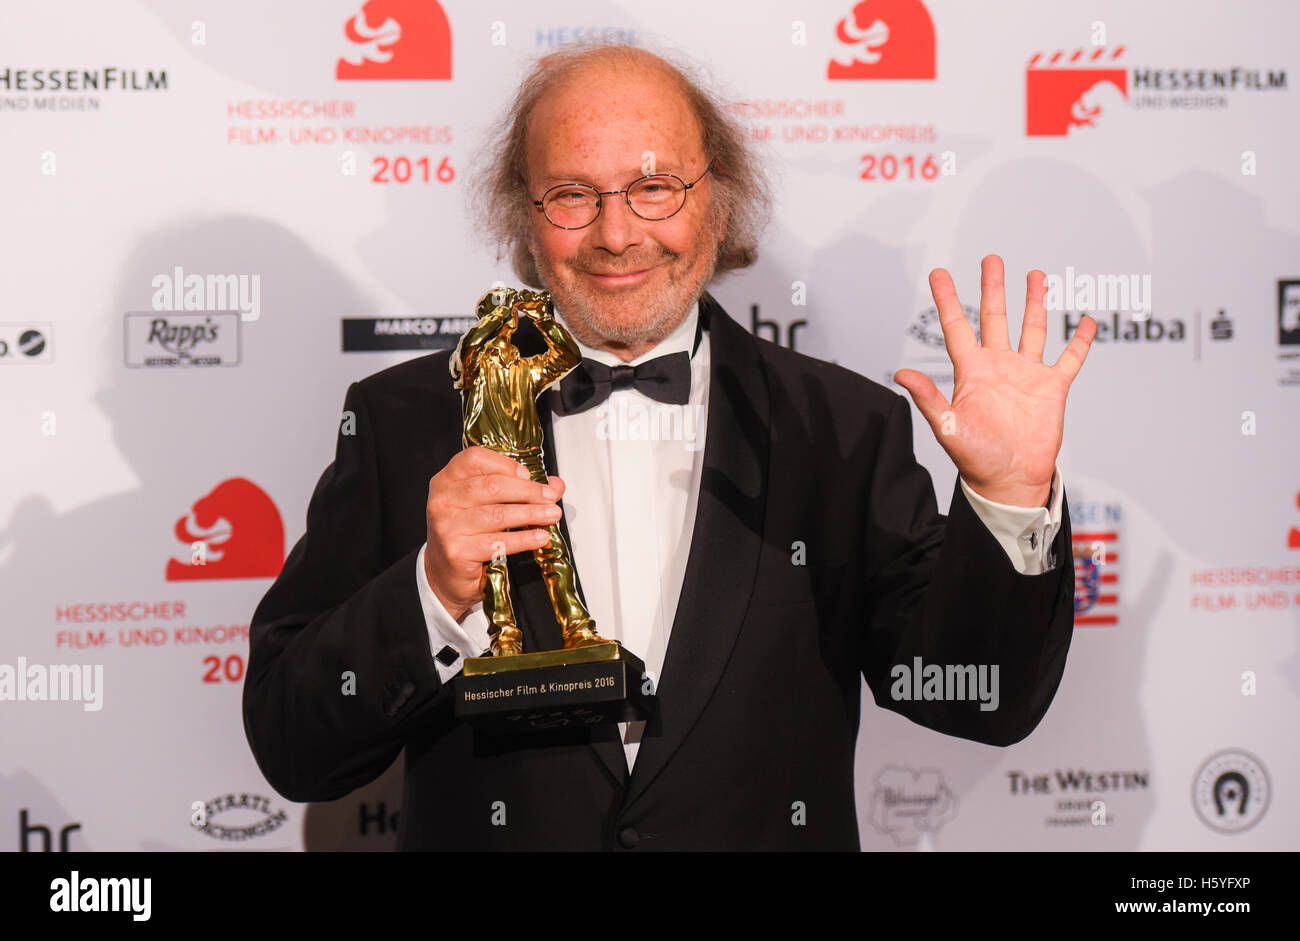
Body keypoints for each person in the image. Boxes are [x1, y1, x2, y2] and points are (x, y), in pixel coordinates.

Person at [242, 42, 1096, 851]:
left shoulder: (842, 426)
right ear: (526, 217)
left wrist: (1009, 497)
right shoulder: (405, 419)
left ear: (717, 200)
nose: (617, 234)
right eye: (572, 194)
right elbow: (293, 743)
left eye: (655, 187)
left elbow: (984, 696)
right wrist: (429, 590)